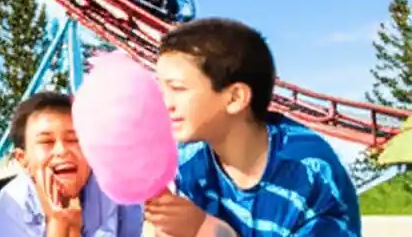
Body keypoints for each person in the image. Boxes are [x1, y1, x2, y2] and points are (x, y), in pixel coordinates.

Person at [146, 18, 361, 236]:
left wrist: (206, 229)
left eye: (177, 88)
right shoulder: (188, 163)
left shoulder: (309, 175)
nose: (163, 103)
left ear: (235, 98)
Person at [0, 92, 143, 237]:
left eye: (74, 140)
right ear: (23, 159)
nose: (62, 150)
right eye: (47, 142)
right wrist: (58, 223)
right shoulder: (13, 202)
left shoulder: (114, 192)